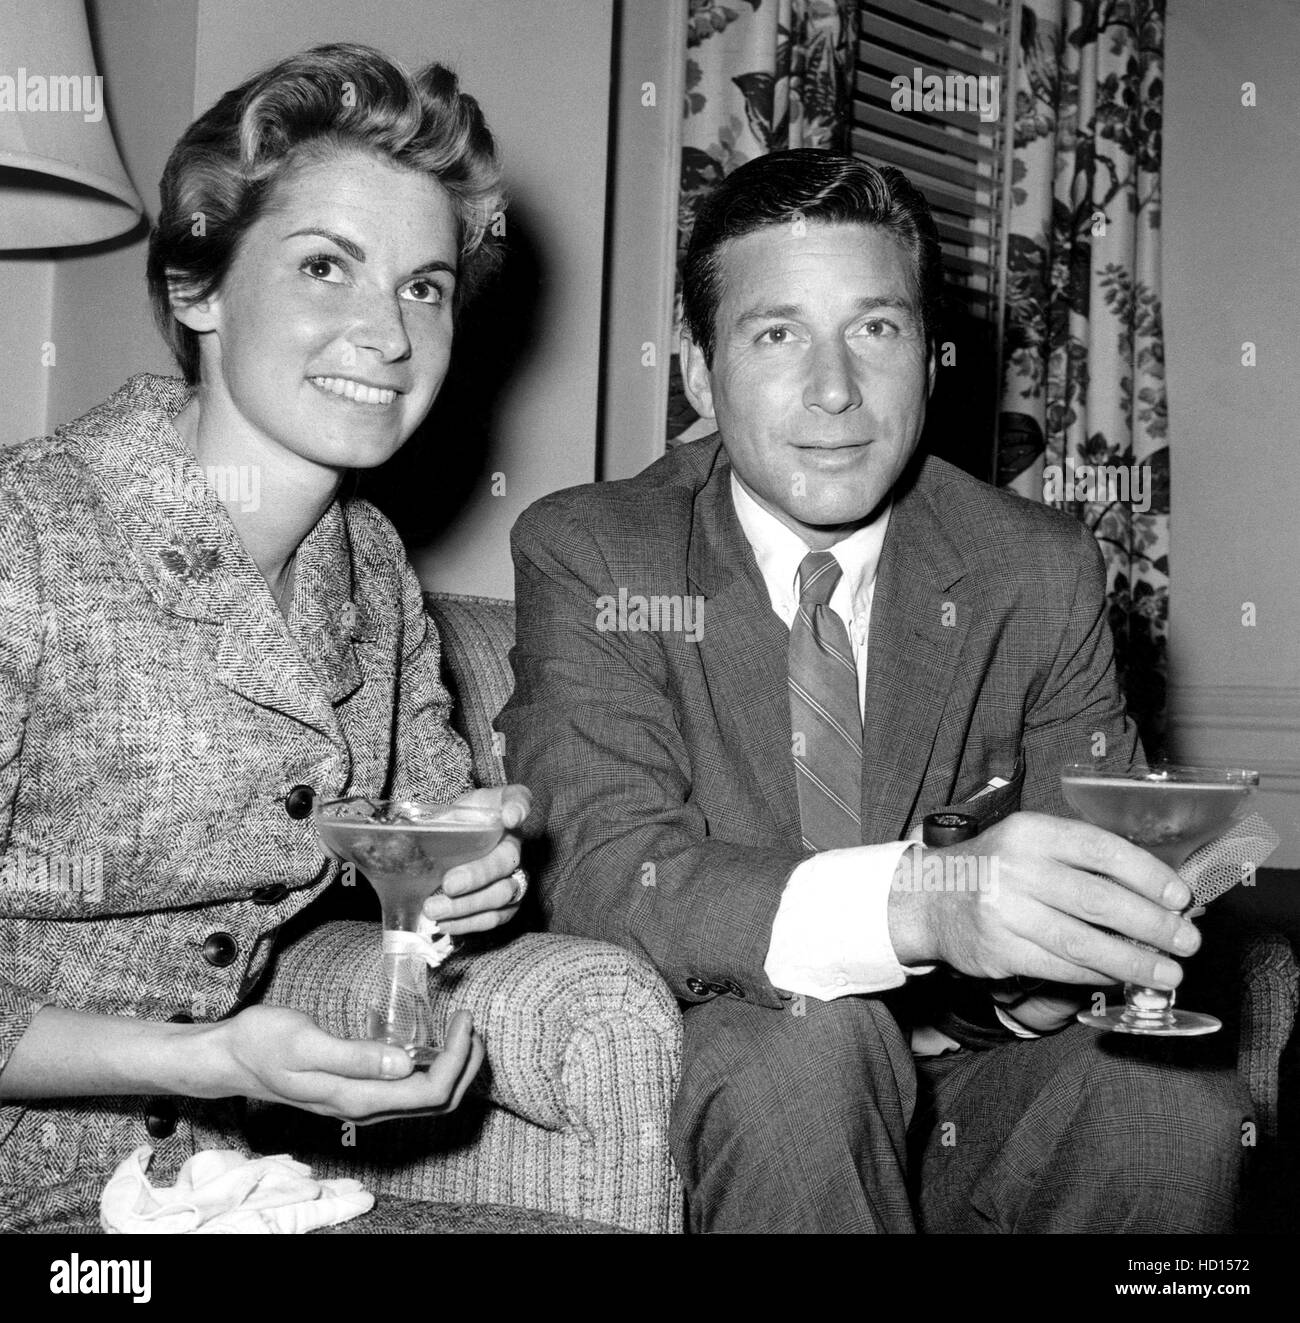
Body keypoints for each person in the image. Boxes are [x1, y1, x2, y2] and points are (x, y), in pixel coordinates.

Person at [499, 149, 1251, 1233]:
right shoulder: (596, 553)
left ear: (932, 360)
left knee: (1166, 1094)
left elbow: (1097, 880)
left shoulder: (1035, 566)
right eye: (776, 333)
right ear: (699, 378)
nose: (835, 389)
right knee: (810, 1047)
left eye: (876, 328)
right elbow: (609, 872)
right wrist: (927, 903)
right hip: (749, 1061)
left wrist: (1051, 971)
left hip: (972, 1085)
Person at [0, 44, 532, 1231]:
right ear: (199, 288)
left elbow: (411, 849)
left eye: (425, 286)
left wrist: (456, 885)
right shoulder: (25, 536)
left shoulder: (373, 569)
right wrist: (217, 1062)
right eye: (326, 266)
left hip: (202, 1182)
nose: (388, 335)